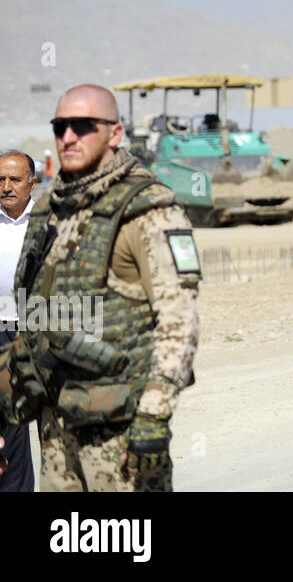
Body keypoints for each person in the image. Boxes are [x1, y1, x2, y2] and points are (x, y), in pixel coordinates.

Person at [0, 85, 200, 492]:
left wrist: (153, 417)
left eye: (83, 126)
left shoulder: (148, 208)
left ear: (114, 133)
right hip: (58, 431)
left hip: (120, 429)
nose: (69, 137)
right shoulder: (50, 211)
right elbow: (36, 314)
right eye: (61, 127)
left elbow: (179, 322)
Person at [0, 150, 37, 491]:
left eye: (15, 179)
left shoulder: (49, 222)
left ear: (32, 183)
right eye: (1, 179)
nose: (7, 186)